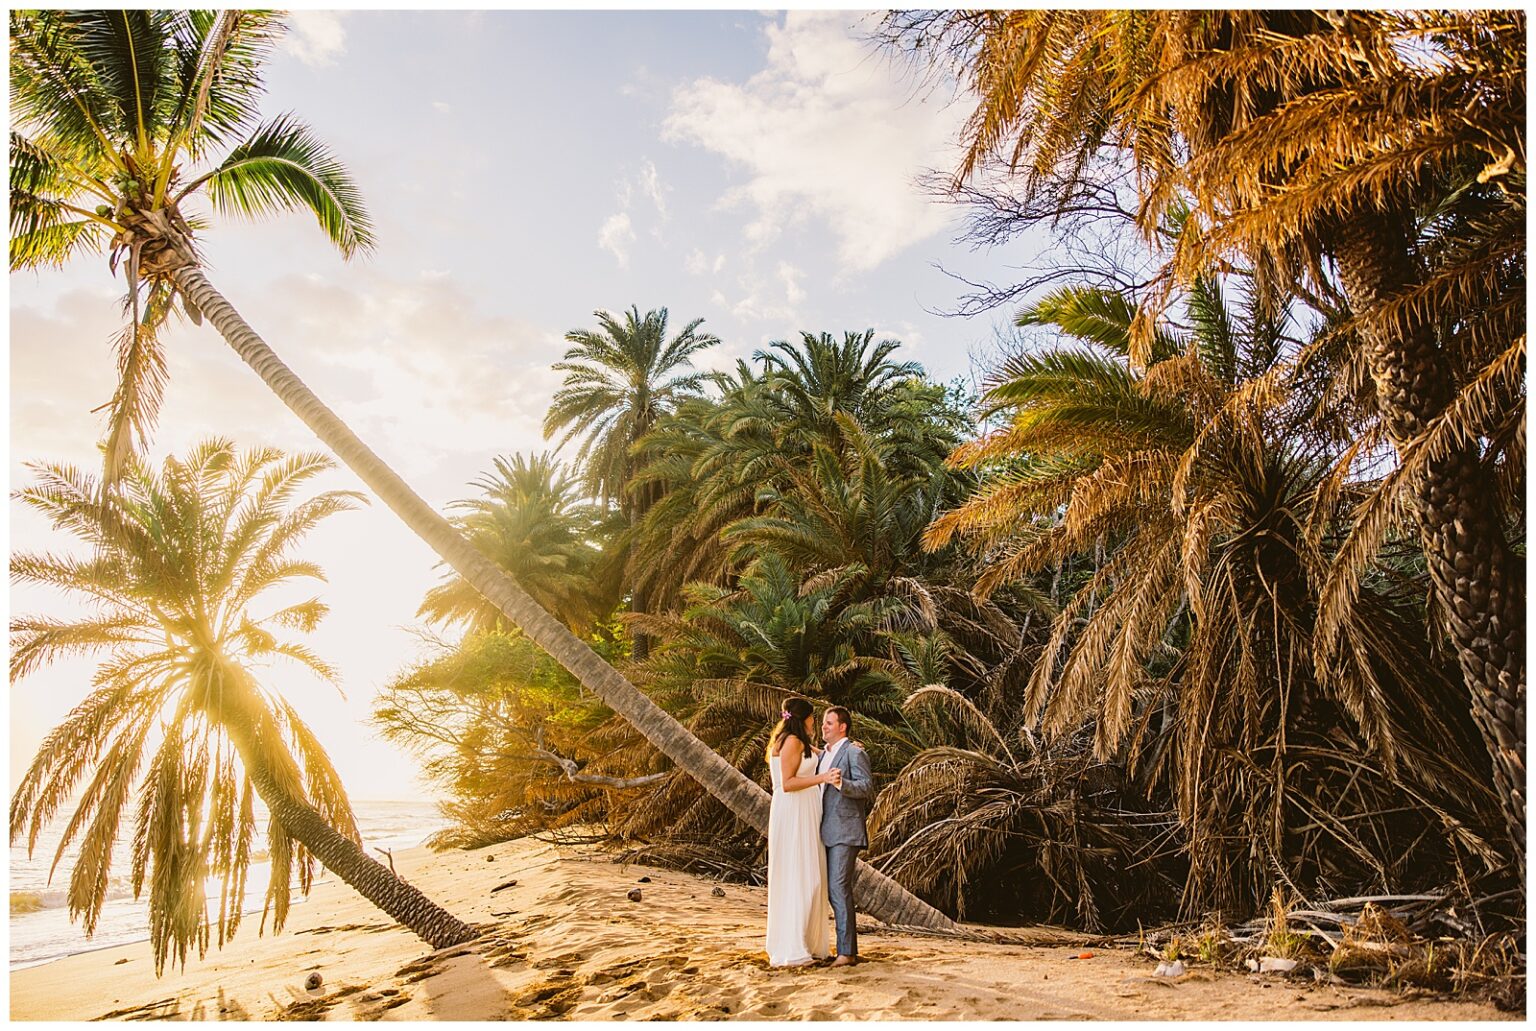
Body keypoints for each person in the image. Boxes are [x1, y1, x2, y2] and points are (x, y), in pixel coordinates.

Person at [764, 697, 841, 967]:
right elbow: (788, 783)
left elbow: (823, 754)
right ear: (803, 718)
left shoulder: (799, 741)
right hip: (793, 813)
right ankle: (793, 947)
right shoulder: (791, 742)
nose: (814, 722)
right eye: (812, 718)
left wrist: (845, 747)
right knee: (803, 878)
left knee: (810, 876)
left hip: (806, 813)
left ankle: (809, 943)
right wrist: (823, 778)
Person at [818, 705, 872, 967]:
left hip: (845, 831)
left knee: (839, 889)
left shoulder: (853, 751)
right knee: (830, 890)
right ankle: (842, 948)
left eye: (829, 723)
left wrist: (841, 783)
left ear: (843, 726)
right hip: (825, 831)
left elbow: (866, 787)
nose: (824, 726)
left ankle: (847, 952)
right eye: (823, 723)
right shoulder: (823, 755)